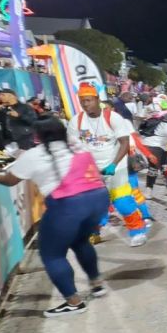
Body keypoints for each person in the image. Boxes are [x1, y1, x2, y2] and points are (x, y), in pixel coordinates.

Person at [0, 118, 110, 316]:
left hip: (68, 205)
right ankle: (97, 285)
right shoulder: (78, 146)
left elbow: (8, 180)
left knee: (52, 254)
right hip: (99, 199)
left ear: (39, 136)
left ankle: (73, 302)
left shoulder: (35, 155)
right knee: (80, 241)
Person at [67, 83, 148, 246]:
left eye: (88, 100)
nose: (85, 104)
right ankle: (93, 233)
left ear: (97, 99)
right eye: (82, 101)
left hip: (116, 167)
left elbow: (125, 143)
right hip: (91, 170)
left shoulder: (113, 118)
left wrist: (113, 164)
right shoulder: (76, 121)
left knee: (123, 202)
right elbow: (73, 146)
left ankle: (138, 231)